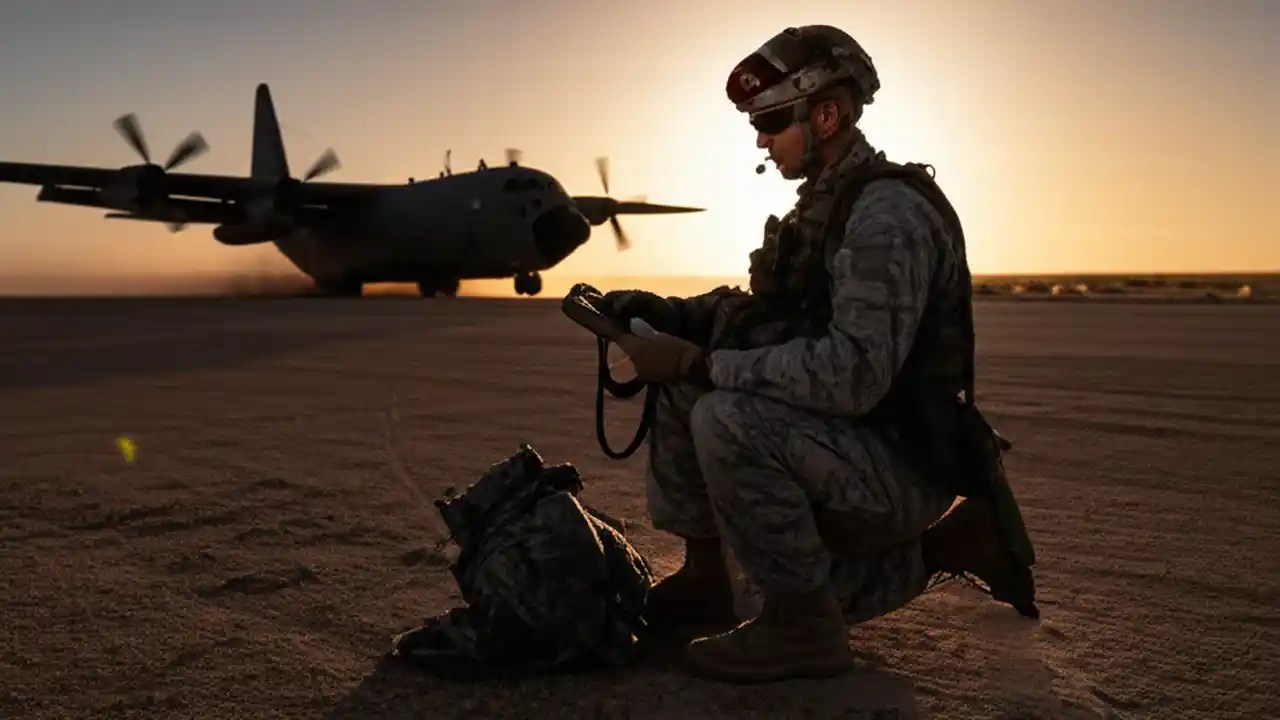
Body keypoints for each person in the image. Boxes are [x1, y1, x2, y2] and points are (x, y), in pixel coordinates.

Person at [603, 25, 1038, 683]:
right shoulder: (822, 209)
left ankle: (805, 627)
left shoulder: (886, 214)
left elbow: (852, 372)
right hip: (850, 439)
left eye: (773, 120)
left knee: (725, 414)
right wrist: (674, 318)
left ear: (827, 113)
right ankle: (707, 578)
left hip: (900, 458)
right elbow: (766, 316)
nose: (761, 139)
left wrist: (699, 362)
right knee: (689, 387)